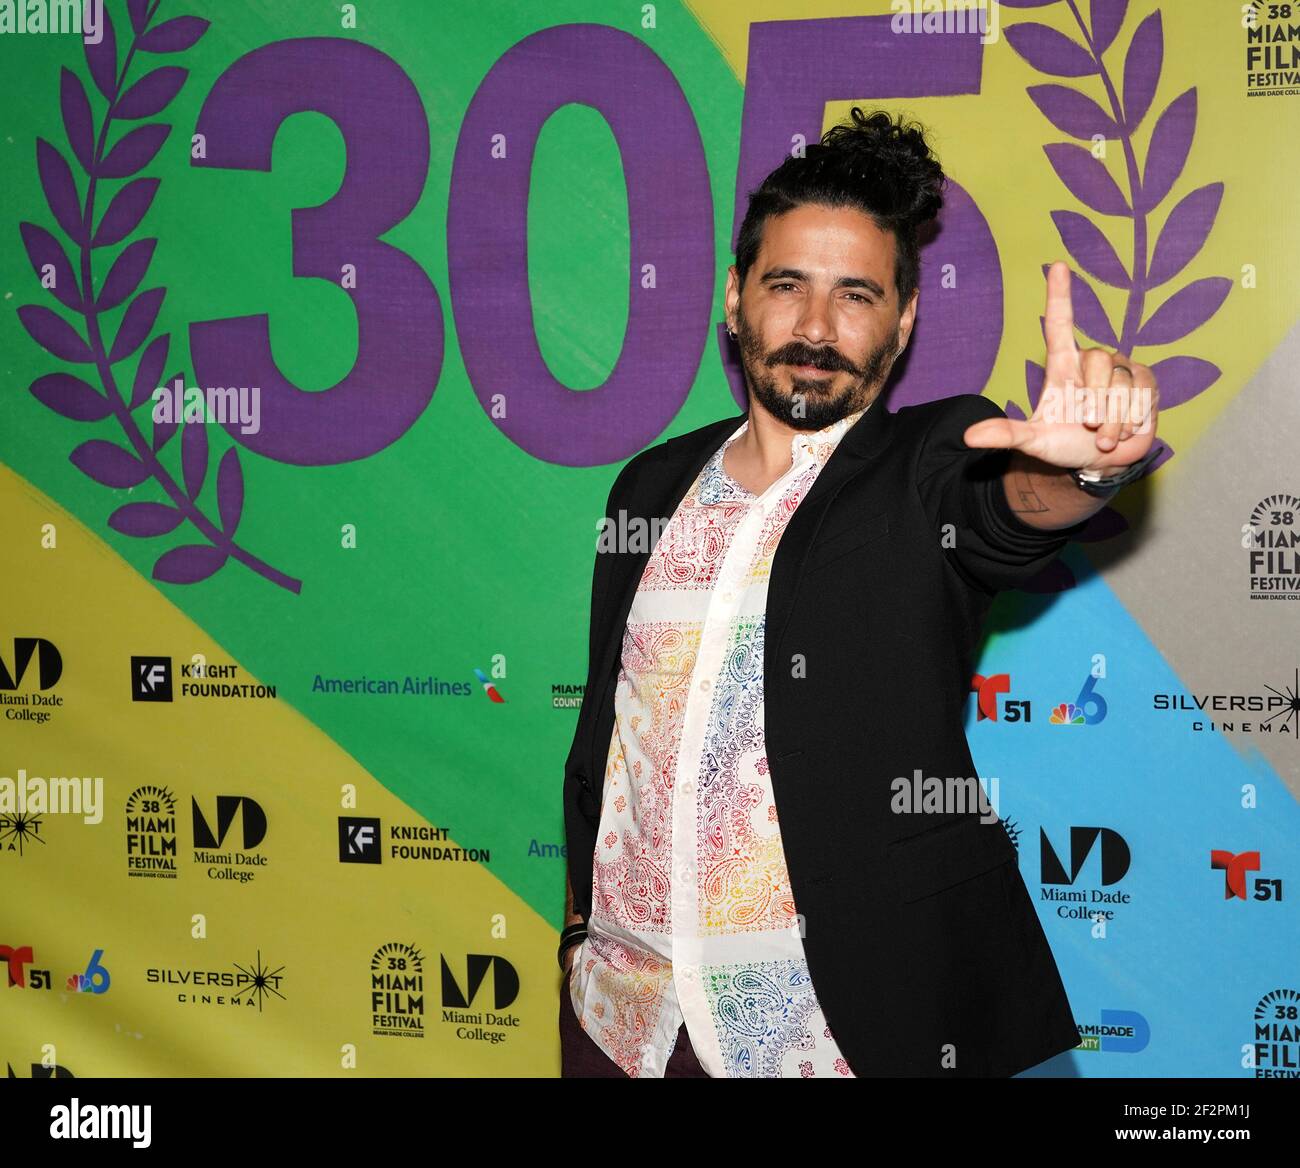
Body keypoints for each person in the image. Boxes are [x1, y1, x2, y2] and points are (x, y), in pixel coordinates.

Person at [559, 107, 1160, 1078]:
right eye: (786, 285)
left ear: (905, 319)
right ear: (733, 297)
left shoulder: (929, 466)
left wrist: (1084, 472)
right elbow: (611, 733)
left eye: (856, 295)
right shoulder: (648, 486)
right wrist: (577, 933)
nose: (814, 327)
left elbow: (1011, 508)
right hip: (623, 1024)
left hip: (833, 1035)